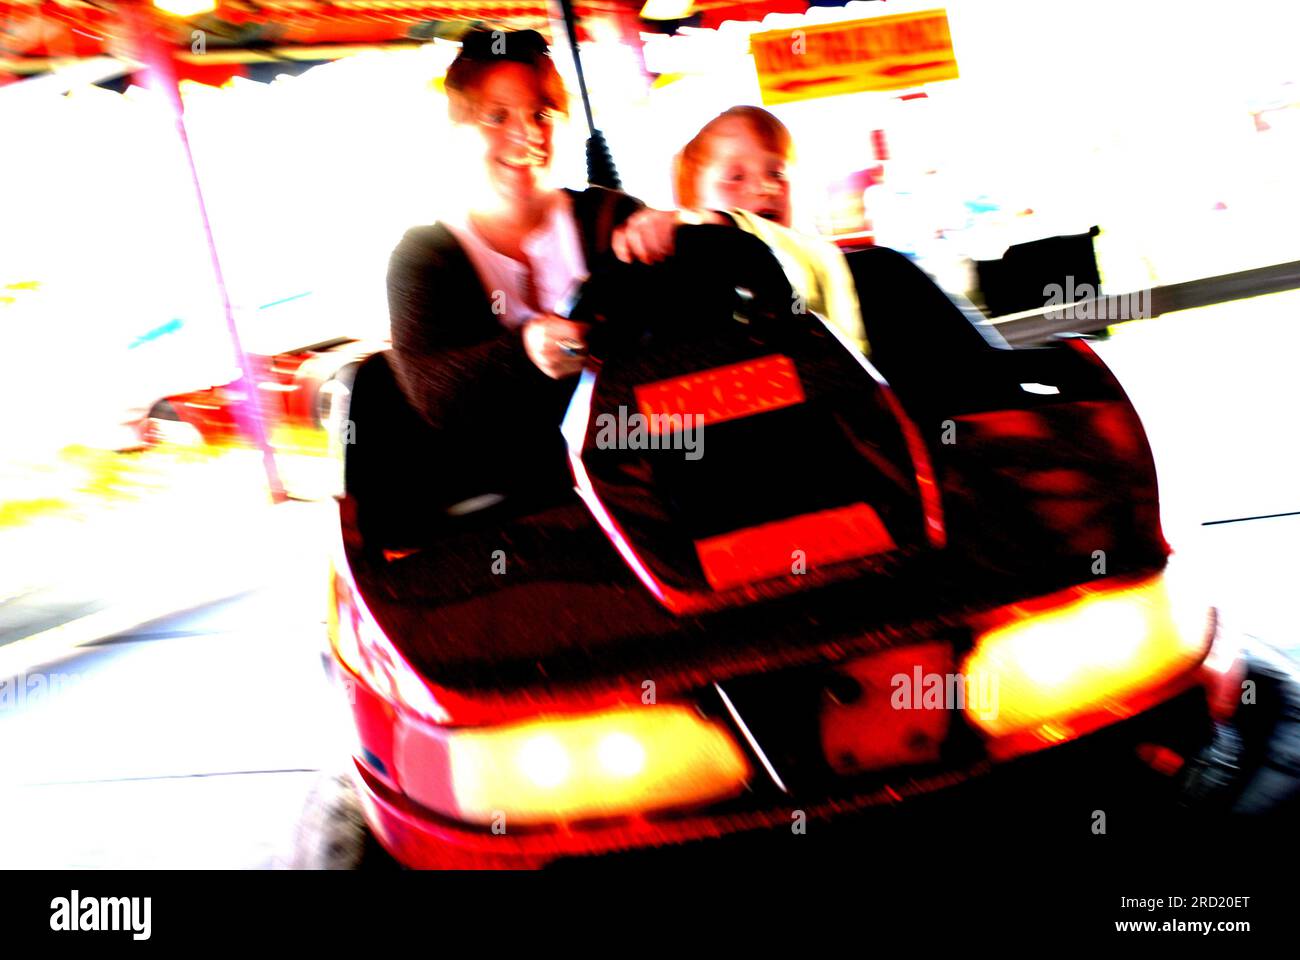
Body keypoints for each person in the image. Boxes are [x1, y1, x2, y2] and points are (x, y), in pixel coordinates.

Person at [386, 29, 662, 504]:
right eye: (498, 117)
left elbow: (683, 336)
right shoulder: (426, 257)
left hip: (642, 468)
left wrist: (674, 241)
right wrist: (525, 353)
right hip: (516, 498)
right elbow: (433, 394)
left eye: (541, 114)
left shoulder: (612, 218)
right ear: (460, 129)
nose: (528, 135)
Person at [617, 106, 868, 354]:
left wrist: (710, 219)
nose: (766, 187)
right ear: (691, 198)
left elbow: (777, 248)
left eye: (777, 173)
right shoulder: (678, 287)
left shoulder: (814, 256)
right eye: (735, 177)